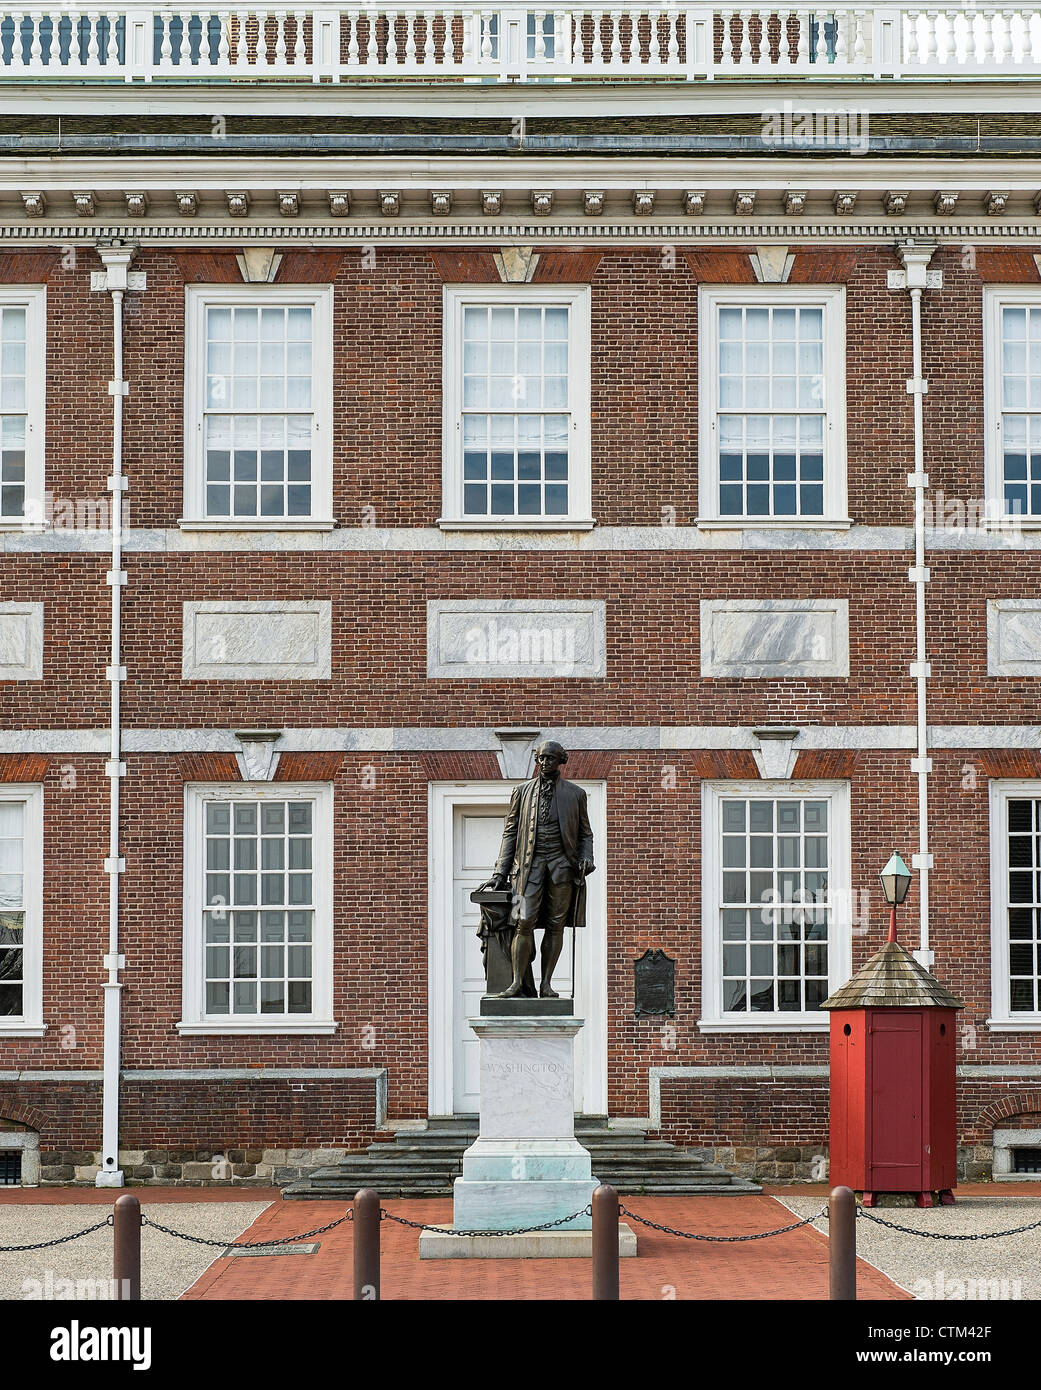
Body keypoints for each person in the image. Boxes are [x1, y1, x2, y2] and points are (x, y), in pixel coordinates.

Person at [480, 739, 594, 999]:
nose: (544, 763)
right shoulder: (521, 791)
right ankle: (517, 983)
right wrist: (500, 872)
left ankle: (546, 985)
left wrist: (586, 858)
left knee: (556, 925)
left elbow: (586, 834)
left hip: (561, 870)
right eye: (541, 758)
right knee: (522, 921)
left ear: (560, 761)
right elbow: (510, 833)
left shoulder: (576, 794)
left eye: (550, 758)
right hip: (525, 873)